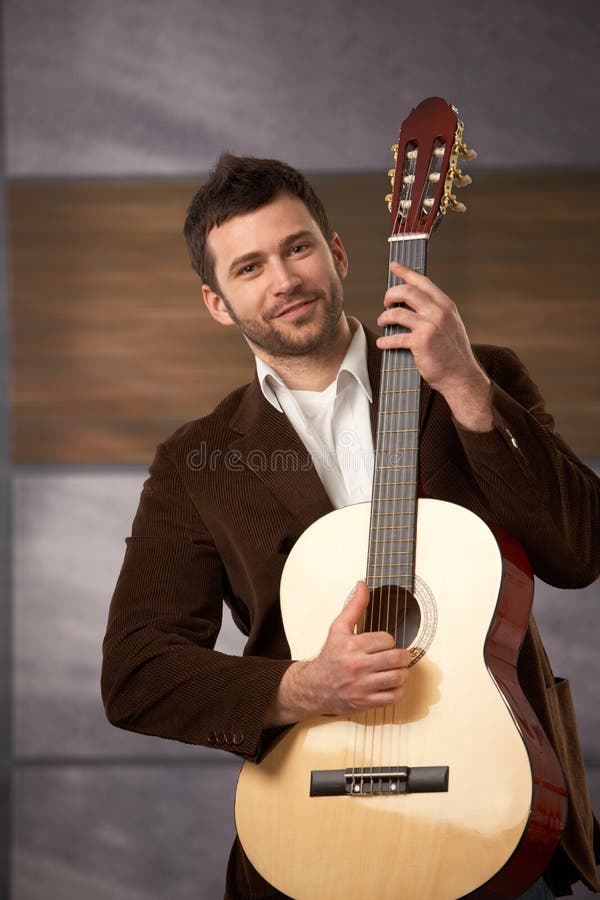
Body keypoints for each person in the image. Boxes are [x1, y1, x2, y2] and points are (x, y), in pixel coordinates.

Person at [101, 153, 600, 899]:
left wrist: (465, 385)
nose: (284, 280)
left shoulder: (475, 375)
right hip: (311, 823)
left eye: (297, 247)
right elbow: (137, 673)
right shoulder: (196, 461)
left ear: (336, 253)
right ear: (216, 303)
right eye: (249, 268)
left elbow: (580, 551)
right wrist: (306, 687)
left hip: (501, 809)